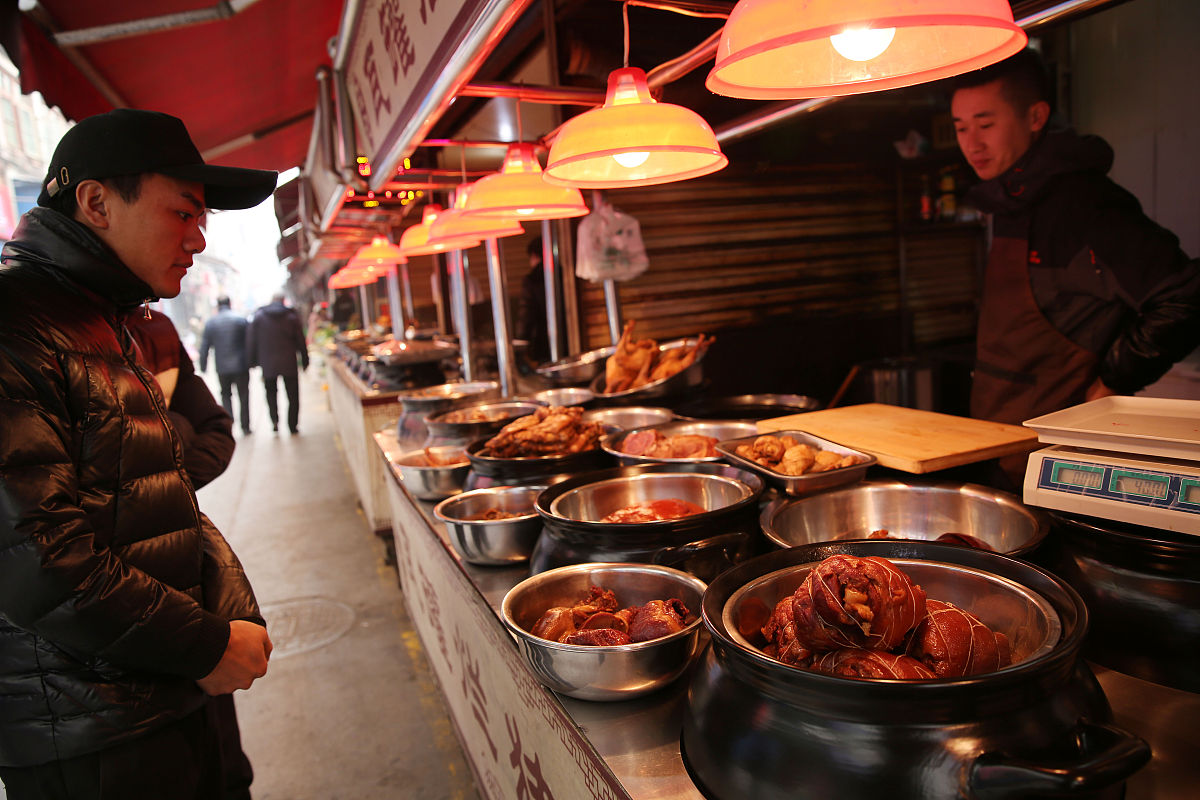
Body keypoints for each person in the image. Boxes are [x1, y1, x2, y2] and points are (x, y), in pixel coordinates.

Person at [0, 108, 276, 799]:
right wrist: (204, 645)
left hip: (167, 690)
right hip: (94, 731)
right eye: (183, 212)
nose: (200, 236)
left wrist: (232, 618)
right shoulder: (16, 322)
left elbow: (165, 495)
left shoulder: (105, 319)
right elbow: (34, 555)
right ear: (95, 202)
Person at [951, 48, 1200, 431]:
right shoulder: (1008, 197)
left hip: (1061, 453)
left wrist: (1115, 379)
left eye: (986, 125)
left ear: (1036, 117)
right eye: (961, 127)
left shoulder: (1084, 204)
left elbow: (1185, 296)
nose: (972, 144)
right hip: (997, 437)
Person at [125, 308, 256, 798]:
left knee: (226, 774)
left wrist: (167, 483)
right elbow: (44, 554)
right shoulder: (31, 330)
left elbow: (214, 426)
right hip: (103, 699)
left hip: (192, 615)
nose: (197, 239)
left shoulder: (153, 327)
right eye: (185, 222)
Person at [247, 292, 309, 434]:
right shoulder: (291, 317)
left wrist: (253, 362)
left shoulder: (259, 317)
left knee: (271, 394)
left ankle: (274, 421)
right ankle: (292, 425)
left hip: (268, 364)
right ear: (283, 301)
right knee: (293, 396)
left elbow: (251, 341)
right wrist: (305, 360)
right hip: (289, 362)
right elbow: (301, 340)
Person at [200, 295, 253, 435]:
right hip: (241, 365)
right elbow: (250, 342)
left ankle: (229, 424)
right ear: (230, 303)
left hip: (222, 367)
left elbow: (204, 346)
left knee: (225, 395)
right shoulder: (240, 320)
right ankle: (246, 427)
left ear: (218, 305)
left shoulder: (211, 323)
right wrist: (253, 361)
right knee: (244, 396)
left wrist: (203, 366)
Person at [514, 236, 551, 368]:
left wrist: (520, 344)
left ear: (534, 256)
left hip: (542, 341)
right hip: (568, 339)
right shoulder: (564, 272)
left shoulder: (532, 280)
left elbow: (526, 315)